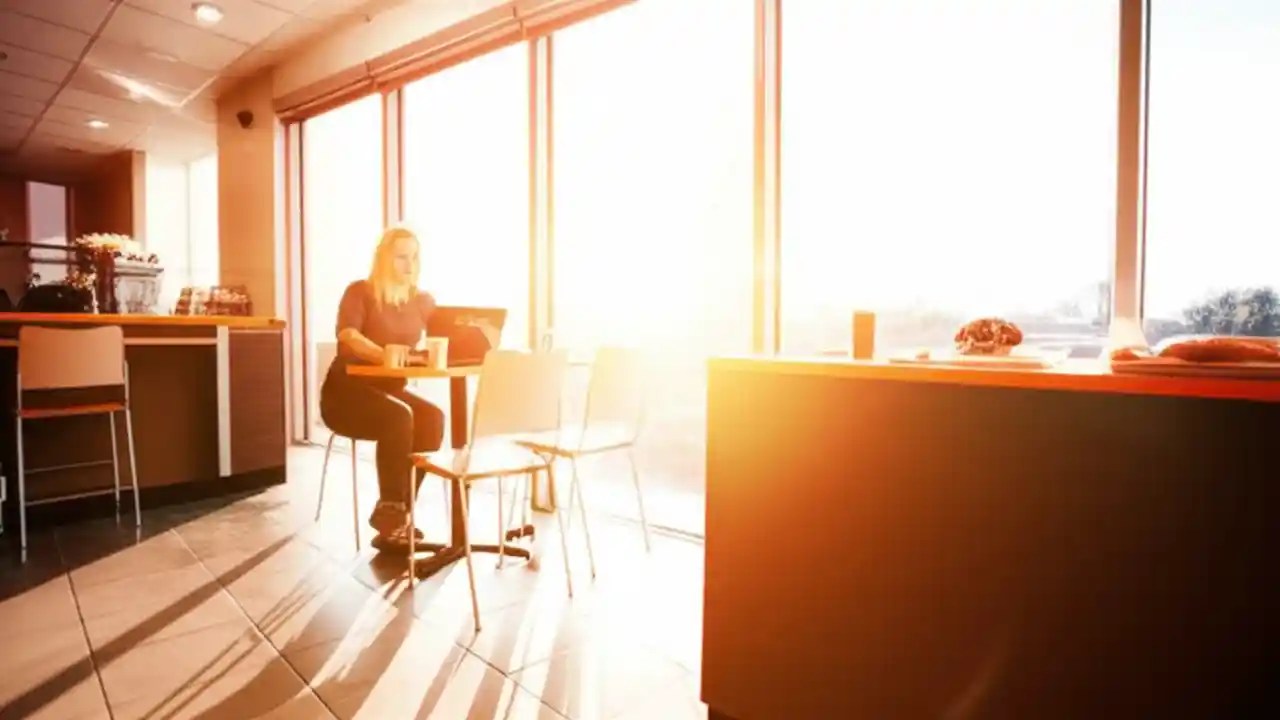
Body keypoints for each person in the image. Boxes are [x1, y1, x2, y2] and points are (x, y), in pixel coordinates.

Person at [320, 226, 445, 553]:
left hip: (391, 389)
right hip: (347, 392)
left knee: (432, 417)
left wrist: (480, 337)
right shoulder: (360, 292)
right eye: (402, 257)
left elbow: (445, 335)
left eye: (414, 256)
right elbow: (348, 335)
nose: (410, 264)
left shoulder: (422, 300)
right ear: (384, 260)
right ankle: (392, 518)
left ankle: (400, 513)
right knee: (399, 416)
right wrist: (384, 354)